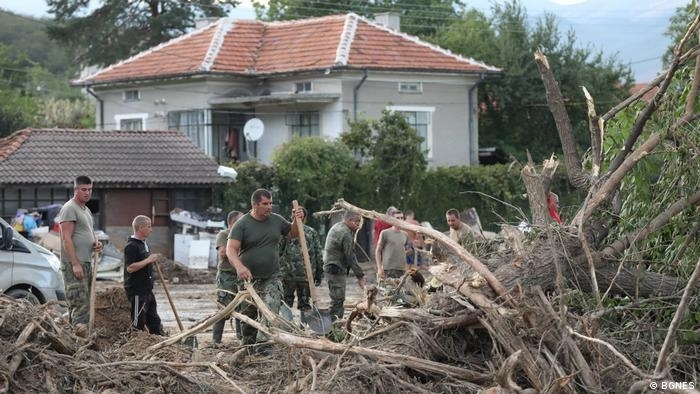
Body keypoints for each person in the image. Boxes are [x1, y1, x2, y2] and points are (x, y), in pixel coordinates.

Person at [225, 189, 302, 346]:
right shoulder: (242, 224)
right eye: (265, 204)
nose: (269, 207)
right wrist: (239, 267)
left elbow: (293, 233)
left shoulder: (277, 220)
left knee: (271, 305)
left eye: (271, 203)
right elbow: (230, 249)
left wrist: (296, 220)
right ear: (254, 205)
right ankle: (249, 347)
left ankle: (264, 343)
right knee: (249, 316)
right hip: (249, 279)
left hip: (271, 276)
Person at [58, 176, 103, 336]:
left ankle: (74, 339)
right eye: (83, 189)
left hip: (86, 262)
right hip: (74, 264)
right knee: (80, 303)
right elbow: (66, 238)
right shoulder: (69, 208)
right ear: (76, 190)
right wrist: (75, 263)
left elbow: (88, 234)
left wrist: (95, 243)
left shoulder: (86, 210)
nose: (87, 193)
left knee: (86, 303)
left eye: (90, 189)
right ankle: (79, 344)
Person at [123, 215, 164, 335]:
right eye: (149, 226)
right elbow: (130, 268)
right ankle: (135, 346)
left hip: (147, 289)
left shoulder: (143, 244)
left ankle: (158, 342)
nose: (151, 229)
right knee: (138, 323)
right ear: (140, 228)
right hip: (137, 291)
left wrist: (150, 260)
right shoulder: (131, 246)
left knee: (154, 320)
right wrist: (148, 260)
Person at [279, 206, 323, 316]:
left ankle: (299, 327)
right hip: (289, 274)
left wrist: (318, 273)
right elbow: (278, 251)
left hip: (302, 274)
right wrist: (319, 273)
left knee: (289, 301)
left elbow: (318, 253)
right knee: (295, 302)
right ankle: (290, 325)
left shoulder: (310, 232)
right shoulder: (285, 232)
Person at [323, 211, 366, 320]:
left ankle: (332, 325)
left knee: (337, 299)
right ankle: (332, 327)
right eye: (357, 222)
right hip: (335, 268)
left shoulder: (338, 226)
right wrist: (360, 276)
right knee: (338, 300)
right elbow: (350, 256)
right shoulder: (346, 233)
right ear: (349, 220)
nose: (358, 225)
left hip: (332, 267)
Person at [212, 210, 244, 344]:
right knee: (223, 308)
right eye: (241, 220)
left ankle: (241, 338)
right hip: (226, 276)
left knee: (242, 307)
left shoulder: (244, 235)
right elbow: (223, 252)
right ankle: (216, 340)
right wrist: (235, 243)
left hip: (239, 275)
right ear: (232, 222)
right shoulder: (224, 234)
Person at [376, 210, 411, 280]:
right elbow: (378, 251)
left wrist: (410, 250)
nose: (400, 220)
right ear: (392, 219)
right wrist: (379, 268)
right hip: (388, 269)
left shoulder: (405, 234)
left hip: (402, 269)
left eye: (402, 218)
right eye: (397, 218)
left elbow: (407, 250)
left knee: (402, 290)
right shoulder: (385, 233)